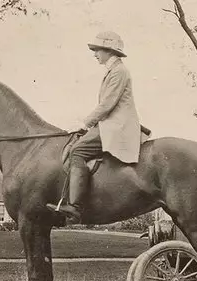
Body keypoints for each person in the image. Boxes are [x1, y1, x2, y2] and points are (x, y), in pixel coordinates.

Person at [53, 30, 141, 223]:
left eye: (97, 50)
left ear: (109, 50)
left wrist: (85, 124)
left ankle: (75, 206)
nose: (95, 54)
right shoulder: (114, 71)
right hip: (110, 123)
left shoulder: (119, 72)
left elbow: (107, 105)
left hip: (117, 126)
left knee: (77, 151)